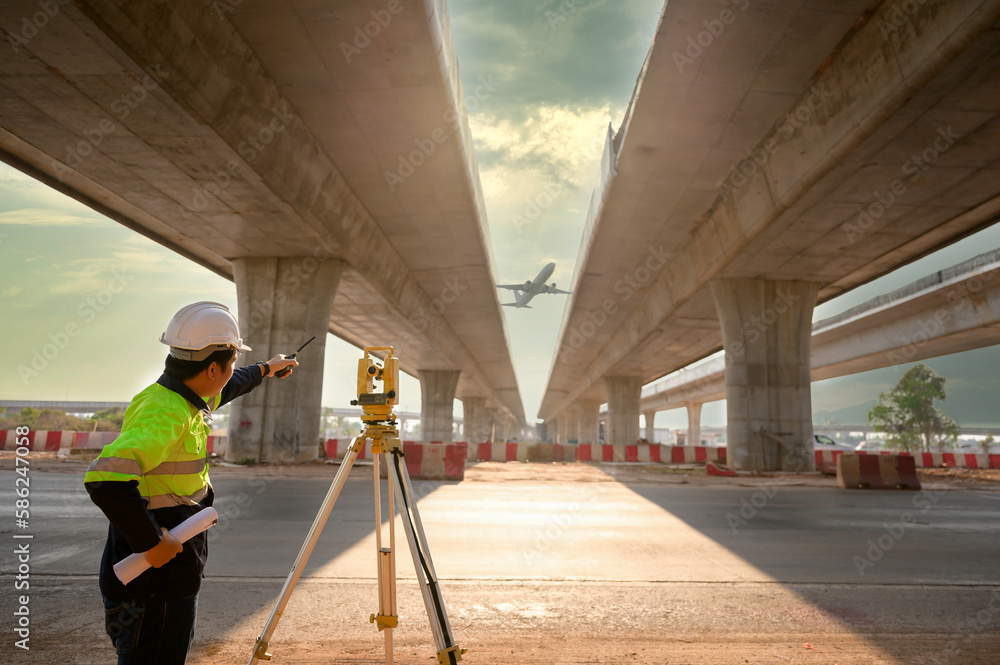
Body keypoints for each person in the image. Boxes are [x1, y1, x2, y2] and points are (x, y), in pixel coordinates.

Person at [84, 301, 299, 665]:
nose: (232, 374)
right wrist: (152, 543)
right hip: (155, 587)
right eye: (230, 365)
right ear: (212, 368)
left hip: (161, 583)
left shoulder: (179, 395)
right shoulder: (168, 412)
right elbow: (105, 479)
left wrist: (266, 368)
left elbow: (228, 387)